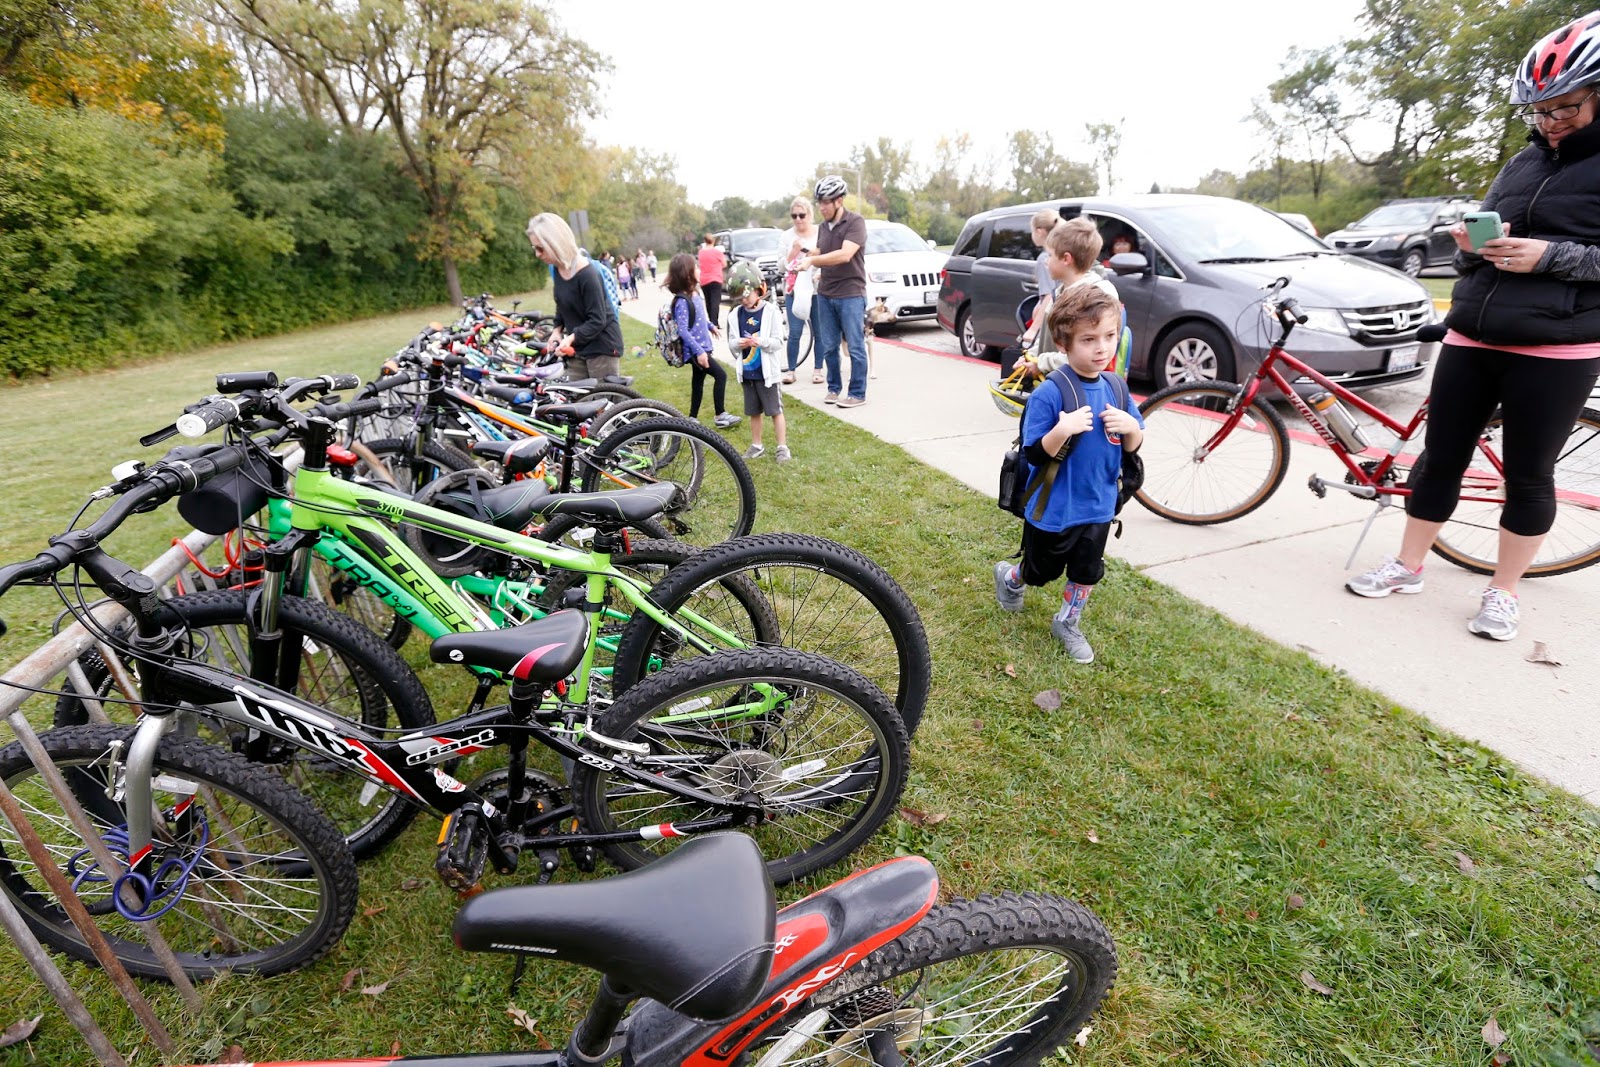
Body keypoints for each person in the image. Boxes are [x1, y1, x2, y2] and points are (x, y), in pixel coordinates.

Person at [1345, 11, 1600, 642]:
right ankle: (1408, 565)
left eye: (1564, 107)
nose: (1548, 121)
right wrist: (1470, 246)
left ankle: (1502, 593)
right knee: (1439, 461)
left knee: (1529, 475)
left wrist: (1551, 256)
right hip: (1472, 334)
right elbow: (1473, 248)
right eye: (1538, 110)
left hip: (1558, 348)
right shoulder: (1521, 164)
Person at [992, 285, 1144, 663]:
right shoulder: (1052, 392)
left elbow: (1134, 445)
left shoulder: (1118, 388)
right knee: (1040, 570)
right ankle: (1012, 579)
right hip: (1054, 506)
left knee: (1087, 570)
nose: (1101, 348)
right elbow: (1033, 451)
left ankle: (1068, 621)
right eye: (1089, 339)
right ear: (1064, 343)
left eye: (1109, 336)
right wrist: (1064, 428)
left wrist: (1131, 428)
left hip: (1098, 504)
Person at [525, 213, 623, 380]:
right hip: (578, 347)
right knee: (578, 402)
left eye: (540, 248)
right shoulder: (557, 268)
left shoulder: (587, 274)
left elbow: (598, 320)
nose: (538, 255)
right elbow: (562, 303)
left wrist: (570, 338)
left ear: (555, 244)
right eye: (535, 248)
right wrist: (557, 330)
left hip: (602, 347)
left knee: (604, 403)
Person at [799, 176, 869, 407]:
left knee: (856, 346)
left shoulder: (855, 222)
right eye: (819, 201)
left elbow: (845, 254)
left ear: (839, 200)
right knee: (829, 345)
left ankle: (857, 393)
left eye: (826, 202)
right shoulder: (823, 227)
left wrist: (814, 260)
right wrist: (809, 254)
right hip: (826, 293)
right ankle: (834, 388)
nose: (821, 207)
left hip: (851, 293)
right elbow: (824, 249)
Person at [1023, 218, 1121, 377]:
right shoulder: (1061, 292)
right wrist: (1031, 357)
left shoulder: (1096, 296)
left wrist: (1041, 364)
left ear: (1066, 259)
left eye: (1050, 255)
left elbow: (1085, 354)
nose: (1046, 261)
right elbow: (1047, 343)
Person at [725, 263, 791, 463]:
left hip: (767, 374)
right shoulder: (735, 315)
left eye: (747, 295)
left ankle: (782, 447)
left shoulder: (771, 311)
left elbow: (778, 342)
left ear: (759, 289)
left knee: (775, 411)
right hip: (748, 373)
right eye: (740, 298)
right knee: (753, 411)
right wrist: (738, 343)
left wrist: (760, 342)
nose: (744, 300)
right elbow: (731, 344)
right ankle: (757, 445)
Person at [665, 252, 739, 429]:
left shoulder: (695, 294)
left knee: (697, 383)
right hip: (697, 351)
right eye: (696, 267)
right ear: (687, 273)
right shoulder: (682, 301)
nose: (699, 269)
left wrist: (709, 325)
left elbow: (698, 317)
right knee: (721, 375)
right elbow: (683, 330)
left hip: (702, 348)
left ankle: (692, 418)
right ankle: (720, 415)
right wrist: (699, 352)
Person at [779, 196, 821, 384]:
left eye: (802, 215)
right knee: (794, 331)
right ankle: (791, 370)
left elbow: (828, 257)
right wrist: (793, 252)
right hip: (794, 290)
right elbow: (781, 266)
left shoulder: (820, 233)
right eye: (794, 215)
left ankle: (818, 369)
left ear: (810, 214)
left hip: (817, 290)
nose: (798, 219)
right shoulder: (786, 236)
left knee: (820, 332)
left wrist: (817, 259)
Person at [1020, 208, 1062, 352]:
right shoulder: (1060, 254)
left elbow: (1049, 297)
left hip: (1047, 324)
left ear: (1039, 231)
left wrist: (1032, 330)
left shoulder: (1045, 259)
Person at [698, 234, 728, 324]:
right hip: (715, 278)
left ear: (705, 241)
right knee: (715, 301)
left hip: (704, 279)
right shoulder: (717, 252)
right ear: (713, 241)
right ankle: (714, 321)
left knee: (708, 301)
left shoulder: (701, 252)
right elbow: (724, 264)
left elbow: (700, 264)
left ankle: (711, 319)